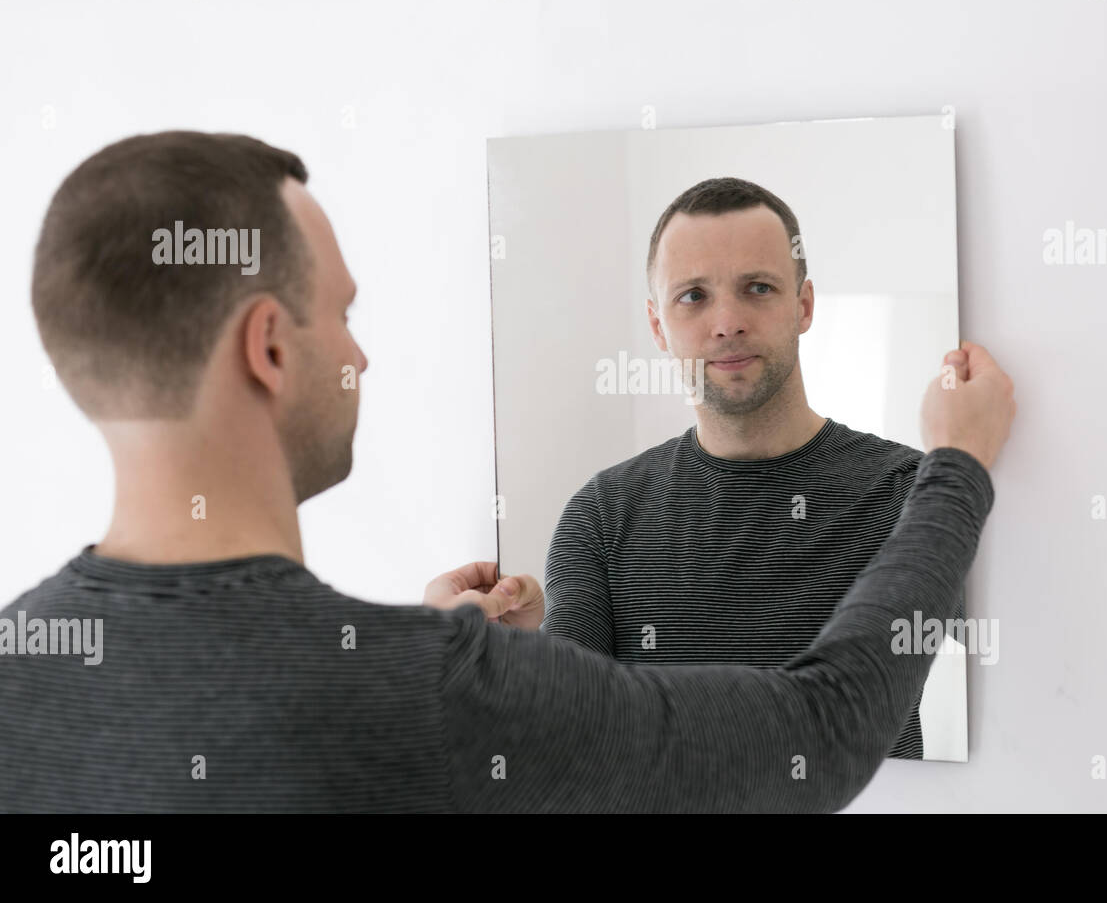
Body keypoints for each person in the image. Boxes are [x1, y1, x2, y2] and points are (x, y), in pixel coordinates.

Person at [0, 131, 1014, 812]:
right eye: (342, 315)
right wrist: (960, 461)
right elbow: (826, 731)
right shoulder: (431, 687)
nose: (360, 355)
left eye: (755, 285)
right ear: (268, 347)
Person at [543, 177, 949, 758]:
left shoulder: (910, 494)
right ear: (658, 326)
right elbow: (569, 742)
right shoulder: (601, 516)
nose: (727, 321)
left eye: (757, 288)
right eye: (693, 296)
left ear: (803, 306)